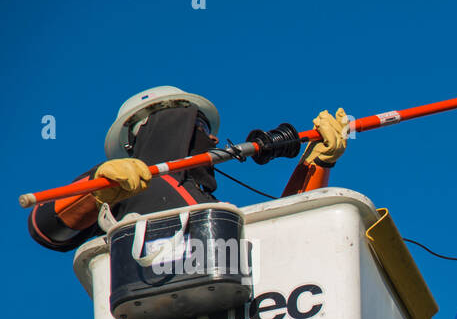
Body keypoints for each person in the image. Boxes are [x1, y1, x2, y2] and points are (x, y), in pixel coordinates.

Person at [28, 85, 350, 252]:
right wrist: (99, 190)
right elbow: (46, 225)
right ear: (167, 124)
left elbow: (289, 234)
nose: (211, 138)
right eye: (199, 125)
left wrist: (316, 163)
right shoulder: (124, 182)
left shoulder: (211, 210)